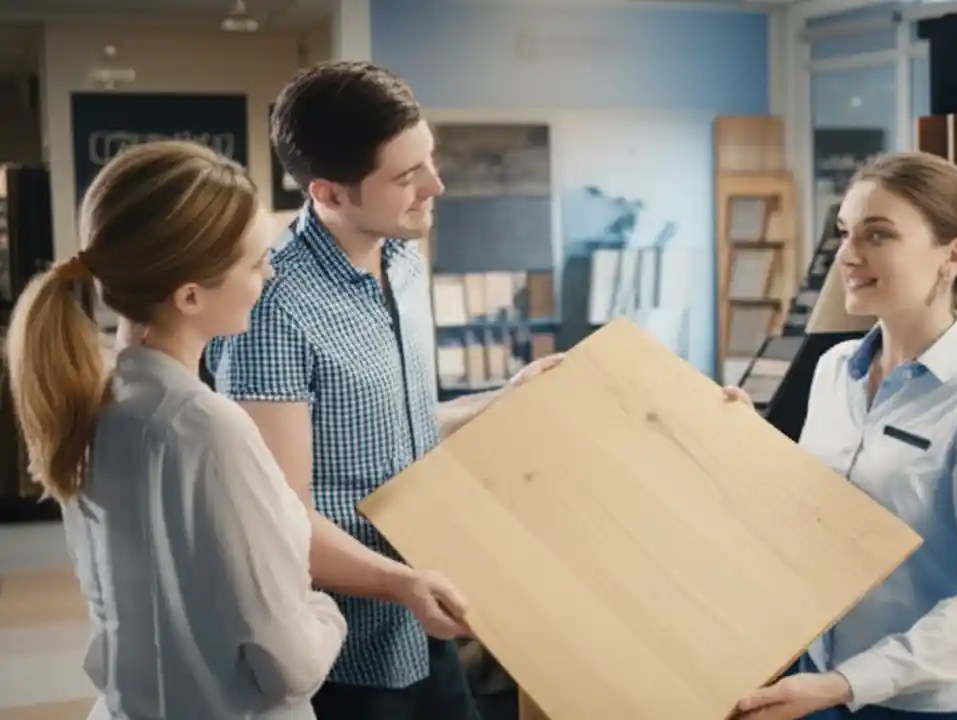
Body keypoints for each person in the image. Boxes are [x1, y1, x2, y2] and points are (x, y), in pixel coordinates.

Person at [204, 61, 562, 720]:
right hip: (345, 651)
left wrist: (503, 398)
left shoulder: (401, 256)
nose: (435, 185)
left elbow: (397, 428)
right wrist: (404, 585)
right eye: (405, 177)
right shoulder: (274, 310)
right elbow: (278, 519)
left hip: (427, 619)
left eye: (427, 159)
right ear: (331, 193)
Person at [5, 141, 347, 719]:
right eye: (256, 261)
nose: (270, 271)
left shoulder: (92, 405)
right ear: (190, 296)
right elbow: (288, 664)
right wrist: (325, 611)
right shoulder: (208, 431)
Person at [735, 151, 957, 720]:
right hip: (820, 685)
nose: (848, 257)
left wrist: (845, 684)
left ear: (953, 256)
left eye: (877, 235)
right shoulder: (834, 371)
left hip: (926, 706)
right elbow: (812, 520)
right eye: (845, 234)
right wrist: (727, 435)